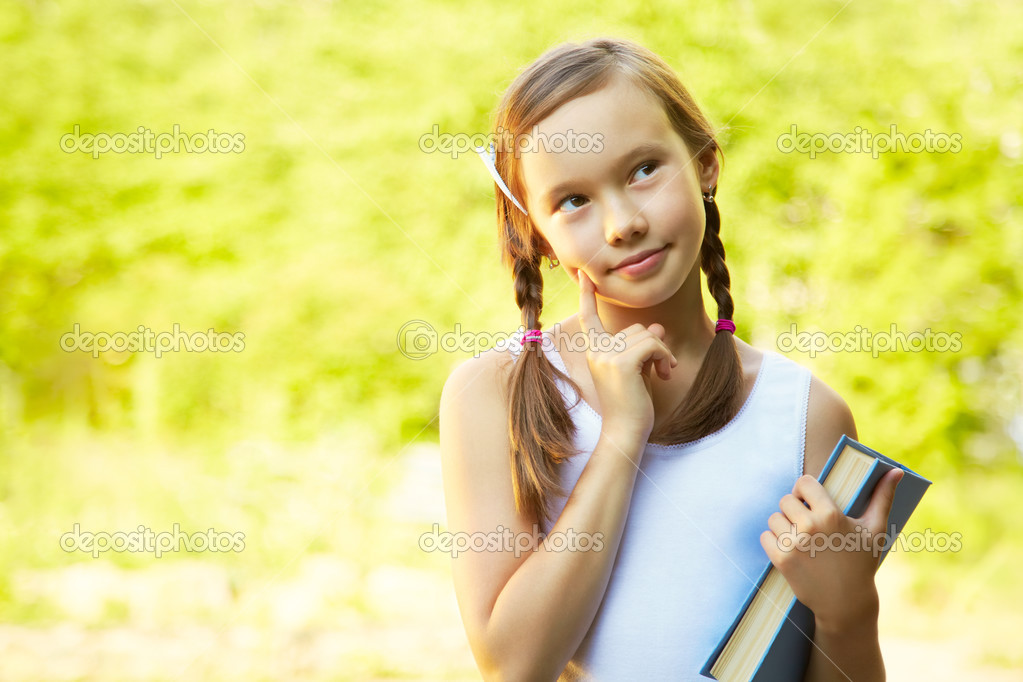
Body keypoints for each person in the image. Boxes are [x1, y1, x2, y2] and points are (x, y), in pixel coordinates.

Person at [439, 37, 903, 681]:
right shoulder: (492, 395)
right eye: (573, 201)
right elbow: (514, 666)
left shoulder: (806, 416)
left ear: (706, 165)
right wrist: (622, 438)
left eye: (643, 170)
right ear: (535, 235)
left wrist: (850, 611)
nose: (622, 222)